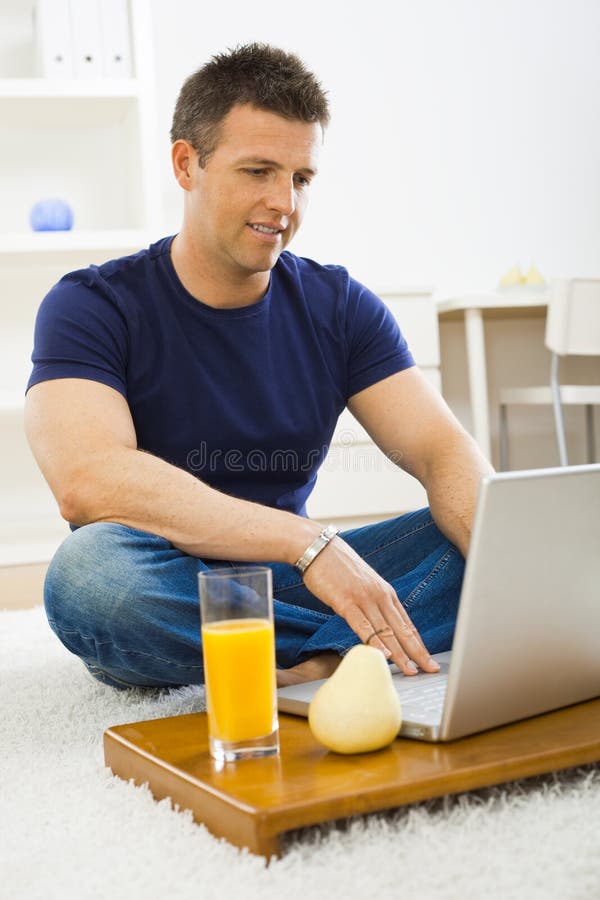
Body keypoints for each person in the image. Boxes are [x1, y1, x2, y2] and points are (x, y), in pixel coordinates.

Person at [25, 43, 493, 691]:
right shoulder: (91, 303)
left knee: (487, 533)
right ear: (186, 164)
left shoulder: (339, 305)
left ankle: (317, 661)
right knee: (90, 577)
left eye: (301, 178)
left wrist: (501, 552)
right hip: (166, 580)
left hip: (290, 580)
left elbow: (442, 450)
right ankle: (361, 642)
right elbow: (88, 479)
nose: (285, 203)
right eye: (258, 171)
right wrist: (309, 544)